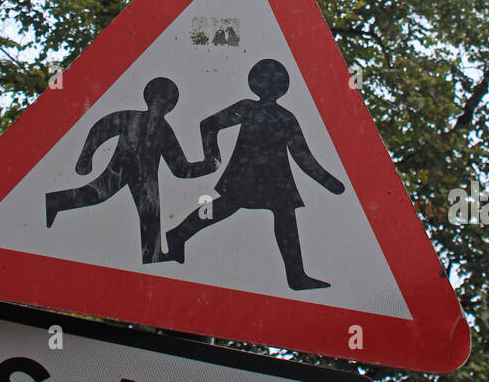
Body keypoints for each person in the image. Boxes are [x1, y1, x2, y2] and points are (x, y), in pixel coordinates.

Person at [159, 58, 343, 290]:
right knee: (231, 208)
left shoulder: (282, 117)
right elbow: (209, 124)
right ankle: (178, 234)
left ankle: (178, 234)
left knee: (270, 212)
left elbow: (303, 156)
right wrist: (213, 156)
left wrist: (329, 181)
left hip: (273, 179)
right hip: (247, 174)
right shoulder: (251, 109)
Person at [45, 77, 216, 264]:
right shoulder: (130, 117)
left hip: (147, 180)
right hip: (120, 170)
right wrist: (85, 157)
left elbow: (179, 168)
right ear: (149, 99)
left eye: (167, 104)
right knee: (95, 194)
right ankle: (55, 201)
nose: (162, 107)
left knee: (151, 215)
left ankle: (153, 256)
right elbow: (101, 128)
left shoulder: (165, 130)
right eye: (159, 101)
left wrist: (207, 166)